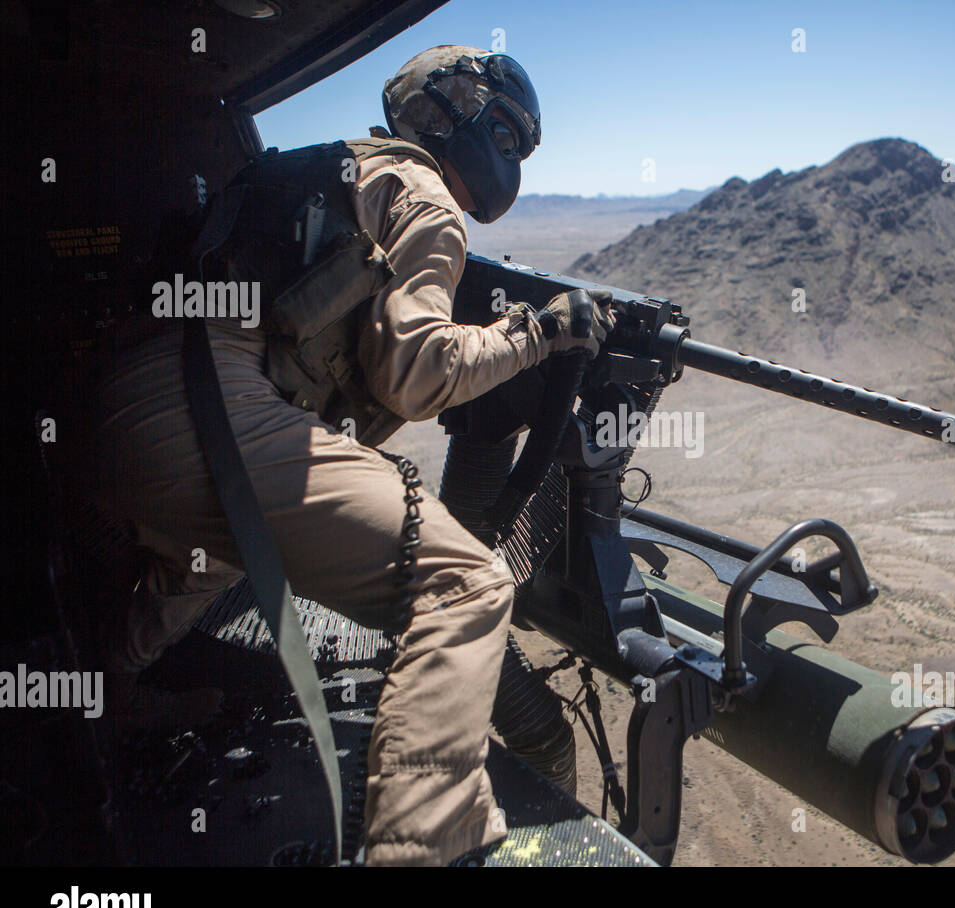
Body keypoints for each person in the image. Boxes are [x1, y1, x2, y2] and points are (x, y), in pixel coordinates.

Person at [88, 45, 612, 866]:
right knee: (465, 583)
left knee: (218, 551)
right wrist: (536, 334)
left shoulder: (342, 169)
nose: (510, 159)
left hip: (121, 406)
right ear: (454, 118)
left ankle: (106, 695)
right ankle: (424, 849)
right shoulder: (428, 199)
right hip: (204, 409)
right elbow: (414, 375)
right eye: (506, 136)